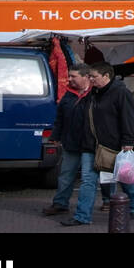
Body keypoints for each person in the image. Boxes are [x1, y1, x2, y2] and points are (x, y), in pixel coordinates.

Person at [41, 63, 98, 225]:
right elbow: (60, 118)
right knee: (66, 175)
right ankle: (60, 203)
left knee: (92, 177)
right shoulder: (69, 94)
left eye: (74, 76)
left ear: (86, 77)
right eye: (70, 76)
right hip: (71, 142)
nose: (69, 79)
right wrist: (55, 136)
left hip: (90, 143)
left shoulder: (96, 94)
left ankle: (109, 202)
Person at [86, 64, 134, 220]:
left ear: (106, 76)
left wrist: (128, 141)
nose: (90, 79)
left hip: (117, 143)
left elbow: (129, 117)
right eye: (90, 76)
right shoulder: (96, 92)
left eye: (94, 76)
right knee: (105, 176)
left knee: (125, 176)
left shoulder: (121, 92)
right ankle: (110, 202)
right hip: (101, 143)